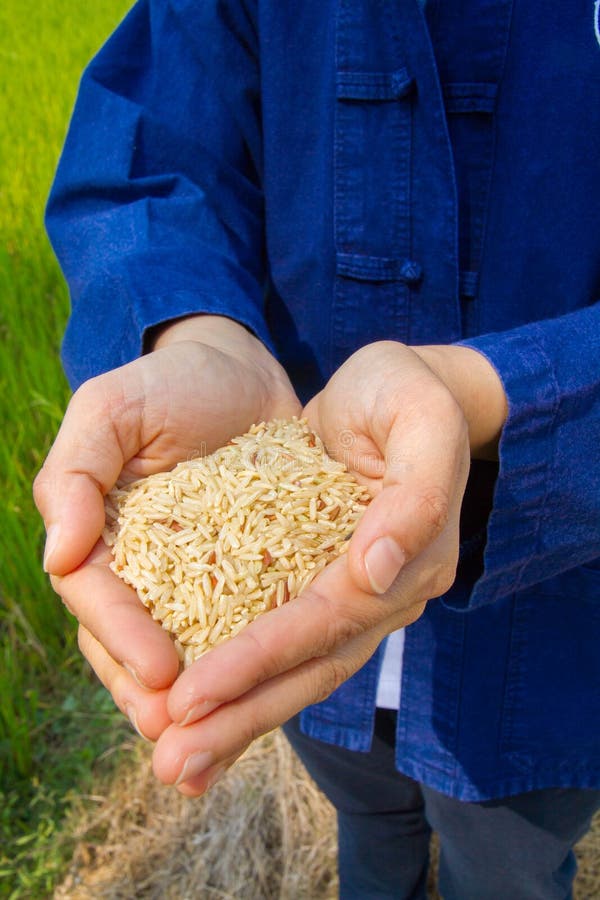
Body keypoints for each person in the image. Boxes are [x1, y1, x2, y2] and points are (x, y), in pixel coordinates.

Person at [34, 1, 600, 897]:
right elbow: (154, 143)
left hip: (552, 627)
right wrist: (194, 334)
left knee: (510, 867)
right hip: (304, 630)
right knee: (369, 831)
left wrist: (488, 395)